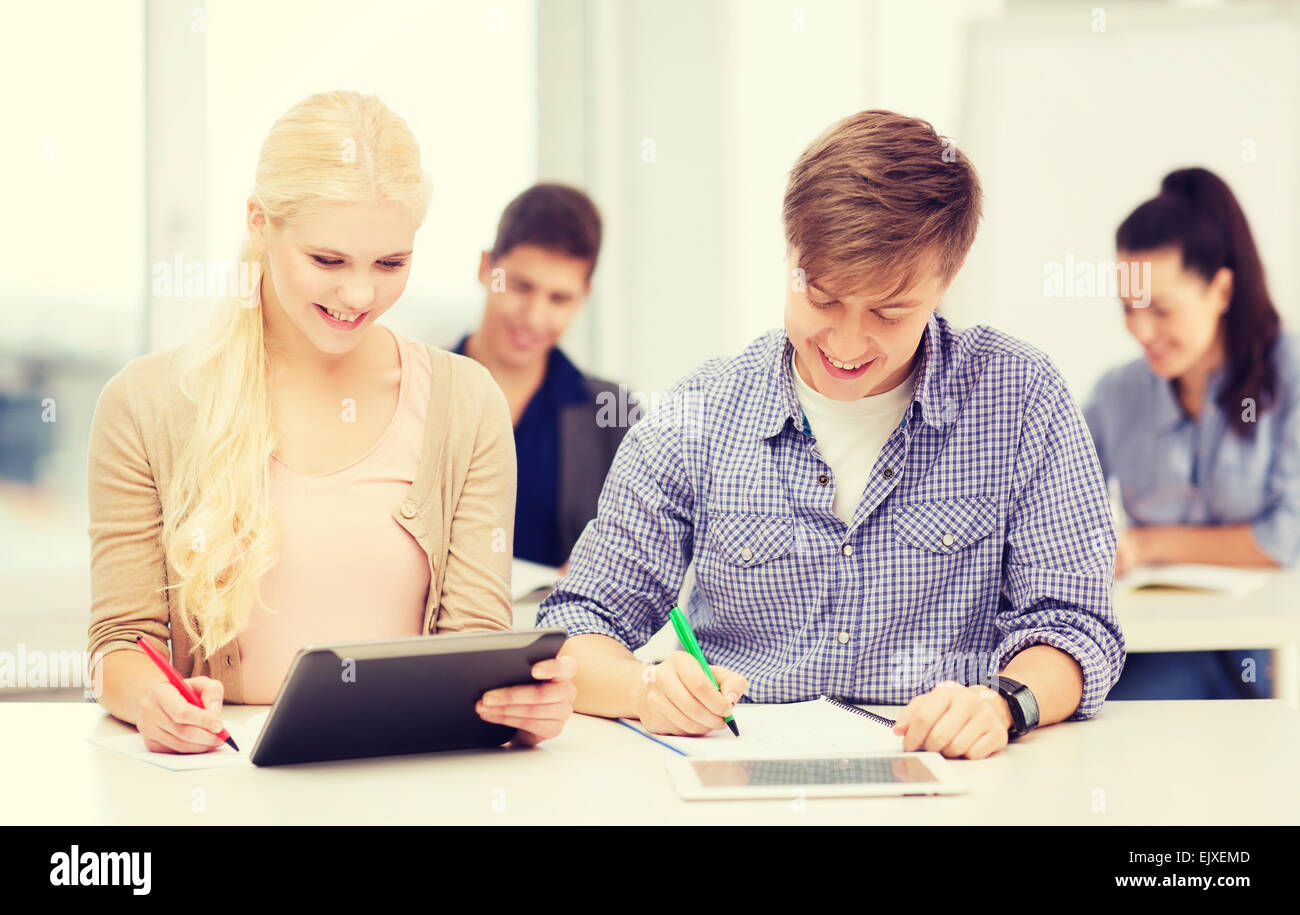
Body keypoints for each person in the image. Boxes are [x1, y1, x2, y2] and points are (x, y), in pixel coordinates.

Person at [537, 110, 1125, 760]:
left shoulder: (1020, 396)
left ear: (946, 282)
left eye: (889, 310)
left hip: (946, 779)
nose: (845, 344)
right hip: (742, 778)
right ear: (789, 254)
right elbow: (573, 625)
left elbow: (1076, 626)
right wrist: (644, 687)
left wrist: (1003, 702)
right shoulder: (699, 413)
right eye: (821, 298)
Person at [87, 91, 576, 753]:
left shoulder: (466, 403)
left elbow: (476, 647)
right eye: (328, 260)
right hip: (223, 782)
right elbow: (121, 643)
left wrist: (523, 705)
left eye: (390, 264)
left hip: (412, 773)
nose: (359, 296)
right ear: (260, 222)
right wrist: (154, 699)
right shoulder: (143, 405)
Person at [1084, 167, 1299, 700]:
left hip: (1258, 648)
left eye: (1161, 309)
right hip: (1143, 640)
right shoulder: (1117, 394)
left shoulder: (1288, 376)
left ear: (1221, 289)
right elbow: (1055, 501)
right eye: (1129, 307)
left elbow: (1281, 539)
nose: (1140, 330)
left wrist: (1147, 545)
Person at [455, 183, 630, 569]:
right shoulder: (414, 392)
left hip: (561, 628)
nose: (534, 317)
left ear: (584, 296)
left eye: (559, 299)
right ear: (486, 268)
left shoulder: (614, 414)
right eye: (521, 286)